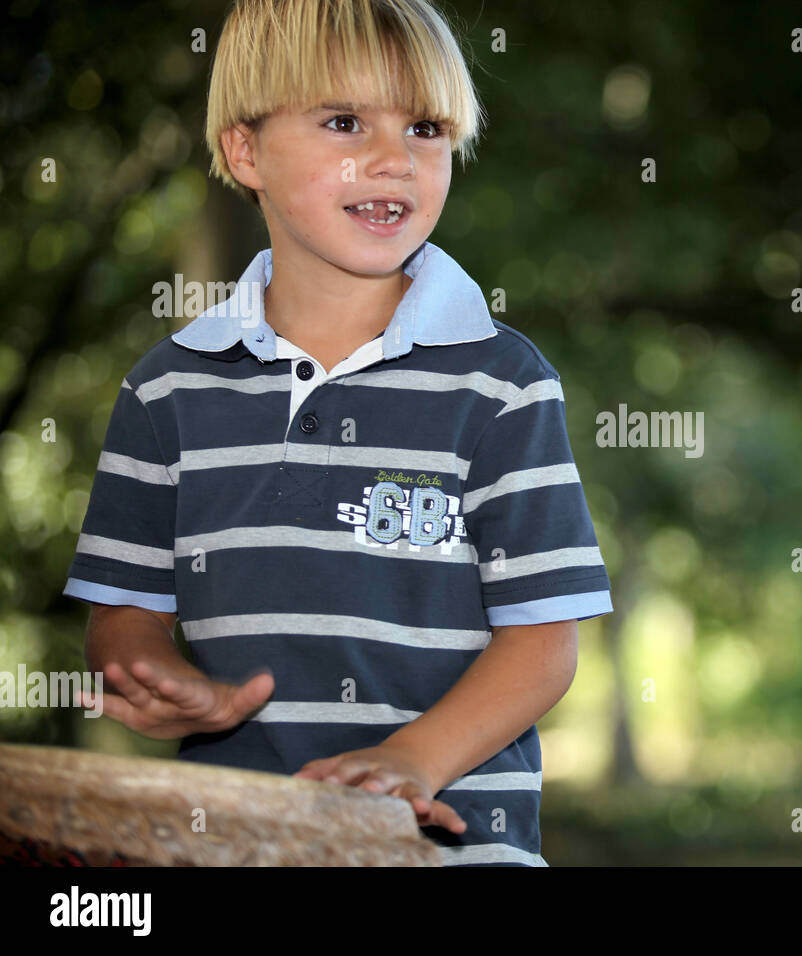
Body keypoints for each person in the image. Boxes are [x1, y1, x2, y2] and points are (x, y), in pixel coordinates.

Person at [63, 0, 613, 867]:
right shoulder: (166, 389)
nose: (395, 159)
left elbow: (545, 643)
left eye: (426, 128)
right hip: (232, 841)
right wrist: (149, 672)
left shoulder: (501, 384)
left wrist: (410, 762)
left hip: (457, 849)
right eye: (346, 121)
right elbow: (123, 612)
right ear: (246, 150)